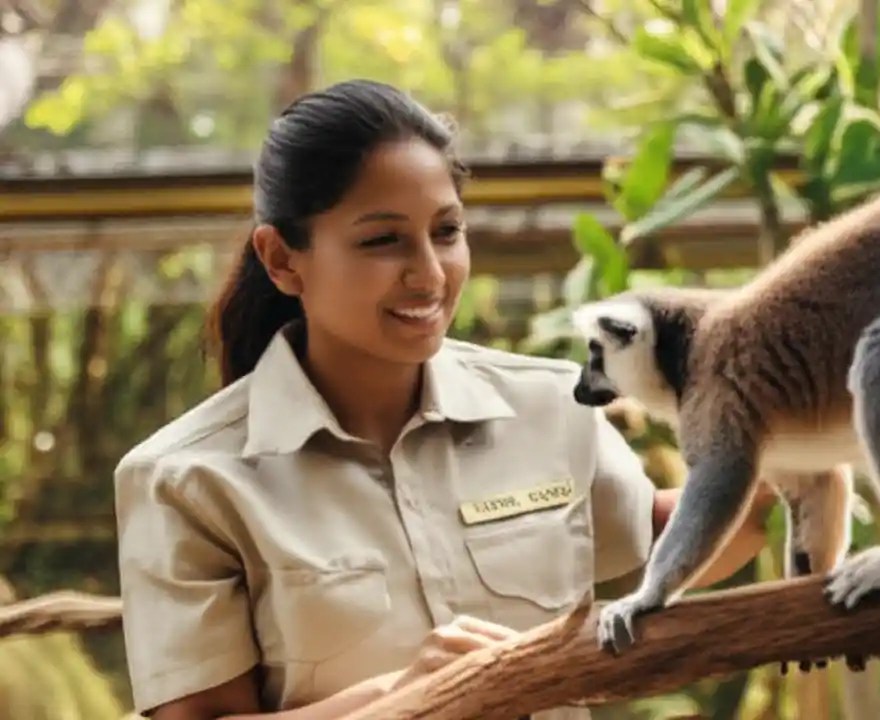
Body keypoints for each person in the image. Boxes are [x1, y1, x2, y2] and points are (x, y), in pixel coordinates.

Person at [112, 79, 773, 720]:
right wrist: (407, 699)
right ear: (283, 259)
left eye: (447, 231)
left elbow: (674, 539)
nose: (428, 273)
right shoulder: (185, 480)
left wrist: (789, 426)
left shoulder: (552, 407)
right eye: (382, 240)